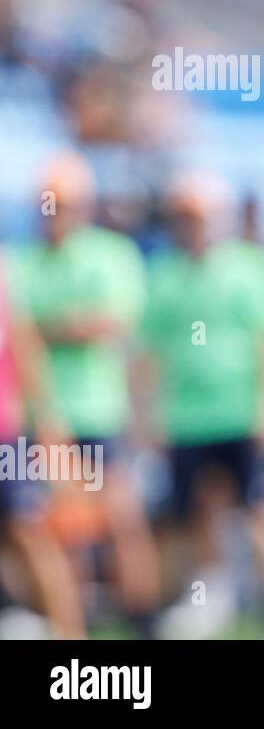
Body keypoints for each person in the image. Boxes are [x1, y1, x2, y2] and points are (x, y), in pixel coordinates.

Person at [139, 172, 264, 639]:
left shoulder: (251, 268)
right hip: (185, 418)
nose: (191, 227)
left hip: (242, 410)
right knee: (190, 514)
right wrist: (148, 415)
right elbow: (149, 350)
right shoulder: (165, 273)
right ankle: (211, 595)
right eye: (184, 218)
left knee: (262, 508)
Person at [11, 152, 160, 636]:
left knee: (119, 518)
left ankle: (142, 619)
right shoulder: (21, 261)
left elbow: (106, 322)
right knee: (56, 529)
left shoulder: (109, 254)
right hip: (37, 415)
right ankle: (74, 625)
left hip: (97, 409)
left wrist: (43, 330)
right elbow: (21, 334)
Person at [0, 245, 85, 639]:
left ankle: (70, 637)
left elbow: (23, 343)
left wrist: (49, 423)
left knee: (29, 532)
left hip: (5, 433)